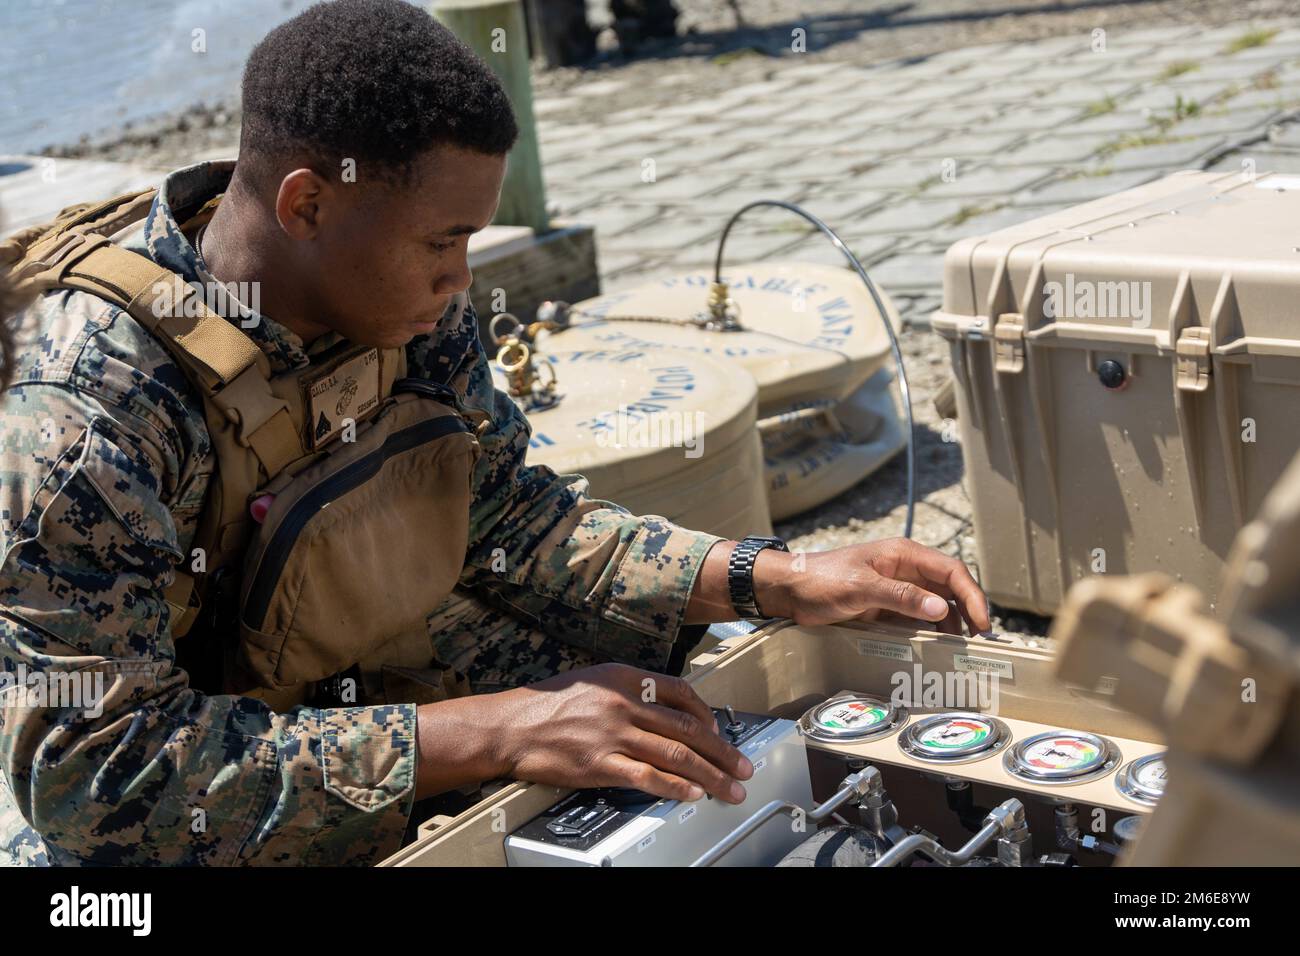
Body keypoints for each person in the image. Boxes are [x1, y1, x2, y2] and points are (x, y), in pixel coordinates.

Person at [0, 0, 989, 867]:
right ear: (306, 203)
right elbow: (97, 782)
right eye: (444, 242)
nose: (461, 281)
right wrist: (502, 730)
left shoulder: (395, 293)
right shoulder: (86, 416)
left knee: (698, 690)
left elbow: (513, 519)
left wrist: (770, 576)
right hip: (190, 761)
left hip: (343, 670)